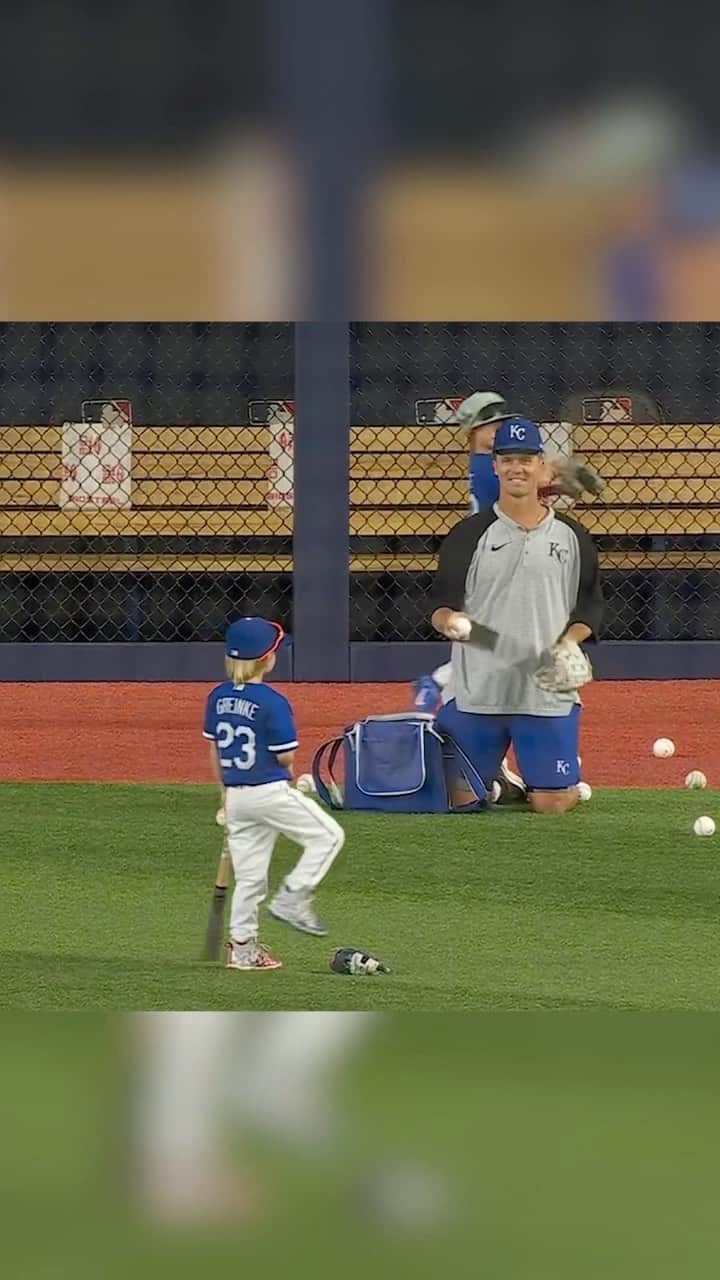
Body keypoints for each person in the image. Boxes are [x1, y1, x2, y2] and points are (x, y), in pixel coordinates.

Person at [413, 390, 603, 802]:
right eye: (490, 425)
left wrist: (568, 643)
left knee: (549, 802)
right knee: (454, 800)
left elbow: (536, 481)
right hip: (484, 666)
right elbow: (535, 477)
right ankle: (494, 774)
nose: (495, 430)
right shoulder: (483, 471)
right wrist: (565, 471)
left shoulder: (570, 535)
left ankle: (524, 778)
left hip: (538, 683)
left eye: (525, 457)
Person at [203, 616, 345, 970]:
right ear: (267, 658)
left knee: (249, 877)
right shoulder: (272, 701)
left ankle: (243, 949)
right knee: (328, 836)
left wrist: (225, 796)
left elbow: (215, 751)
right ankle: (293, 897)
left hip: (236, 796)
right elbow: (285, 755)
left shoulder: (217, 697)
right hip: (268, 791)